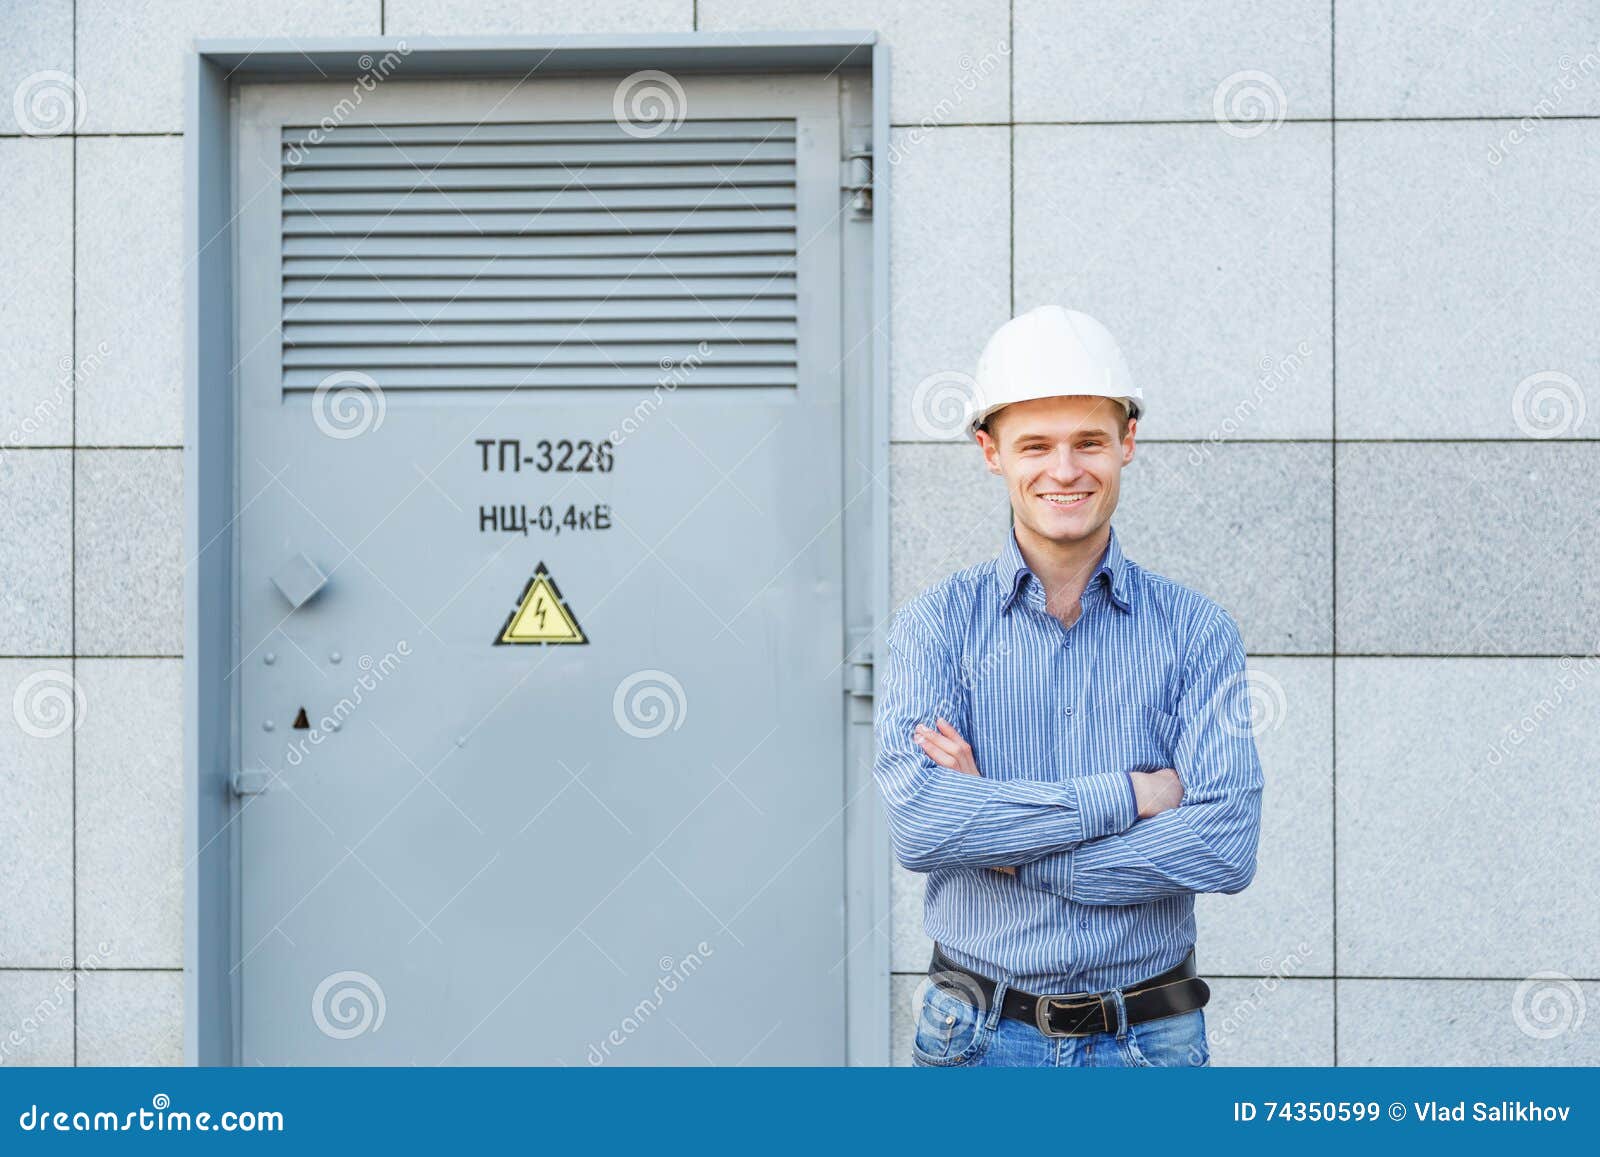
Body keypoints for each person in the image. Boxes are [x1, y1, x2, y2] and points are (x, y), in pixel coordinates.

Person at [875, 305, 1264, 1067]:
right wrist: (1129, 795)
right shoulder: (936, 627)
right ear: (991, 452)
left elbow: (1225, 844)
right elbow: (922, 825)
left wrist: (1006, 843)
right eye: (1036, 446)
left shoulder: (1196, 631)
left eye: (1089, 441)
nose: (1064, 470)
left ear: (1127, 443)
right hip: (976, 1040)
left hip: (1151, 1041)